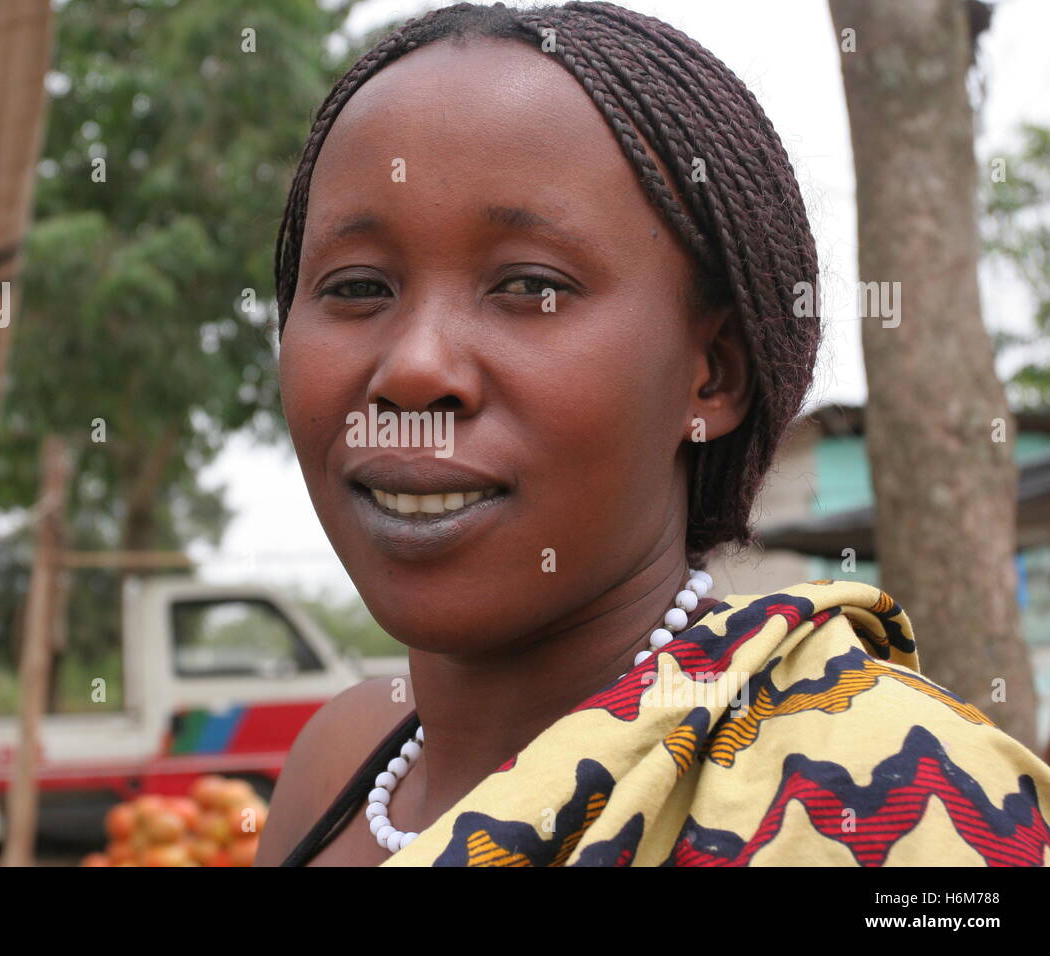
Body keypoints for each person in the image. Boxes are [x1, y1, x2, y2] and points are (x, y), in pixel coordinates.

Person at [253, 0, 1050, 866]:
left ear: (713, 374)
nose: (412, 372)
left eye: (530, 286)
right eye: (358, 288)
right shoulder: (339, 768)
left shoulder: (894, 798)